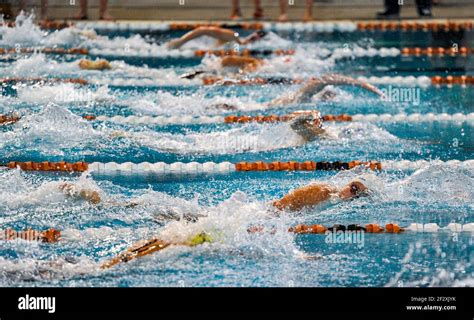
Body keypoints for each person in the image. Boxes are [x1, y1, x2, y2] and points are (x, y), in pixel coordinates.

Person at [273, 180, 368, 211]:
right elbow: (283, 203)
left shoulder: (338, 204)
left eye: (358, 195)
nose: (352, 195)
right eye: (354, 188)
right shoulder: (322, 191)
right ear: (348, 183)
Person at [167, 27, 268, 49]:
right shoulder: (233, 36)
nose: (256, 38)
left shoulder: (238, 43)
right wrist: (181, 42)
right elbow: (203, 30)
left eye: (259, 37)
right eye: (256, 35)